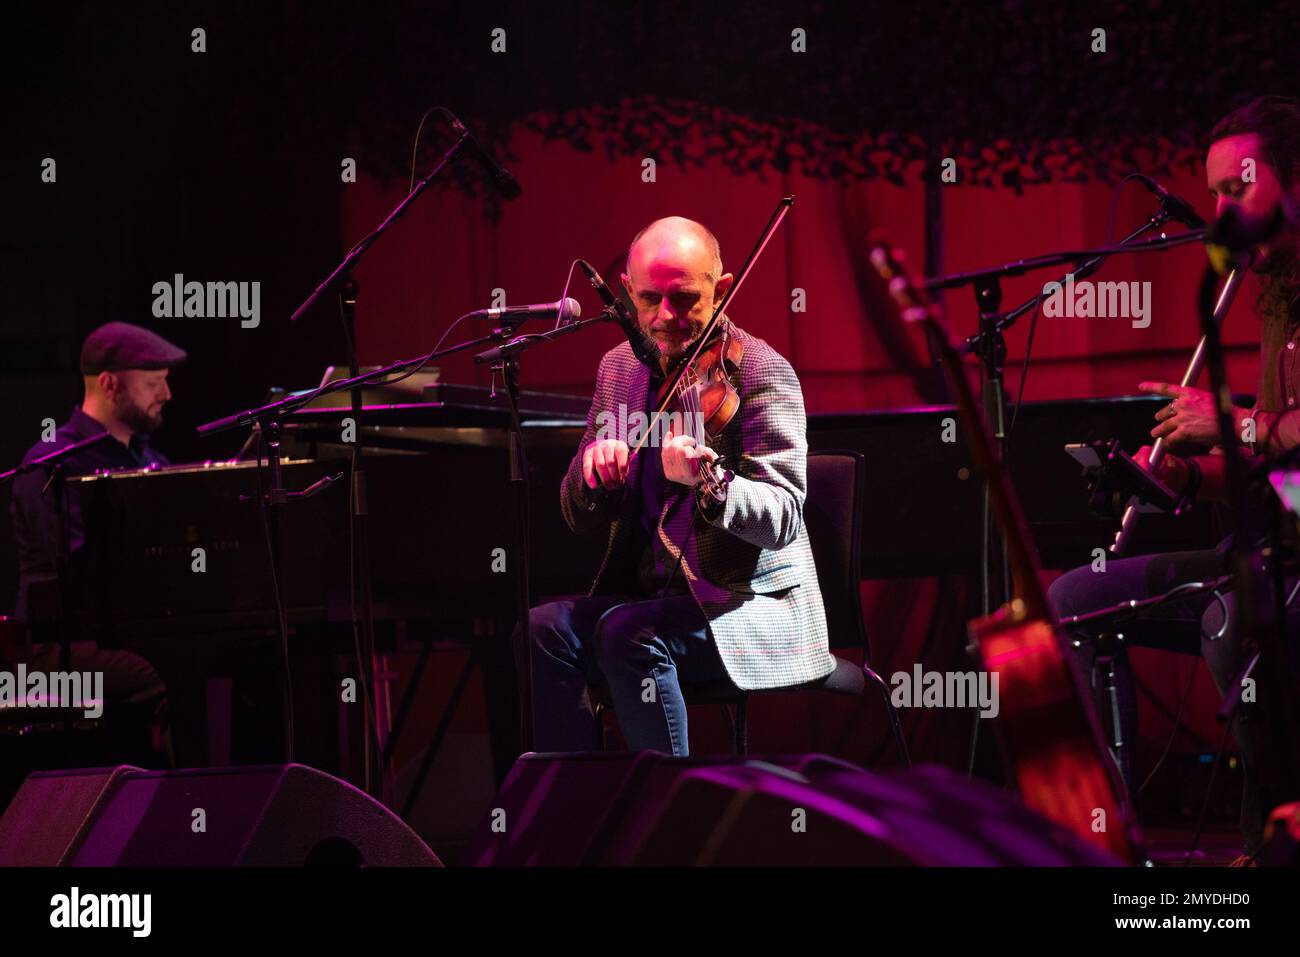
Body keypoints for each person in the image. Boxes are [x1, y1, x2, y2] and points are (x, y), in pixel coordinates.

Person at [1049, 96, 1300, 859]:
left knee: (1234, 622)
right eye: (1215, 193)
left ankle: (1272, 835)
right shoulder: (1276, 293)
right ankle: (1116, 839)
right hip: (1274, 551)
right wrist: (1186, 480)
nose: (1220, 214)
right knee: (1072, 600)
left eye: (1237, 190)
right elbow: (1283, 476)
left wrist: (1233, 424)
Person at [526, 216, 833, 755]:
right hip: (649, 596)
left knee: (628, 634)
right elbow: (576, 513)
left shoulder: (761, 372)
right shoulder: (620, 369)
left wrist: (711, 481)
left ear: (723, 287)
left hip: (747, 603)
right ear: (626, 292)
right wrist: (595, 476)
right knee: (545, 628)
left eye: (685, 298)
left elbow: (784, 514)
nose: (666, 317)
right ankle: (570, 804)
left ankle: (668, 814)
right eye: (650, 299)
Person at [9, 321, 186, 711]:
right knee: (172, 674)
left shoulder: (155, 463)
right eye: (153, 382)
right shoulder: (50, 463)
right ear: (110, 384)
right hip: (58, 648)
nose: (167, 394)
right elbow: (77, 569)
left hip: (133, 632)